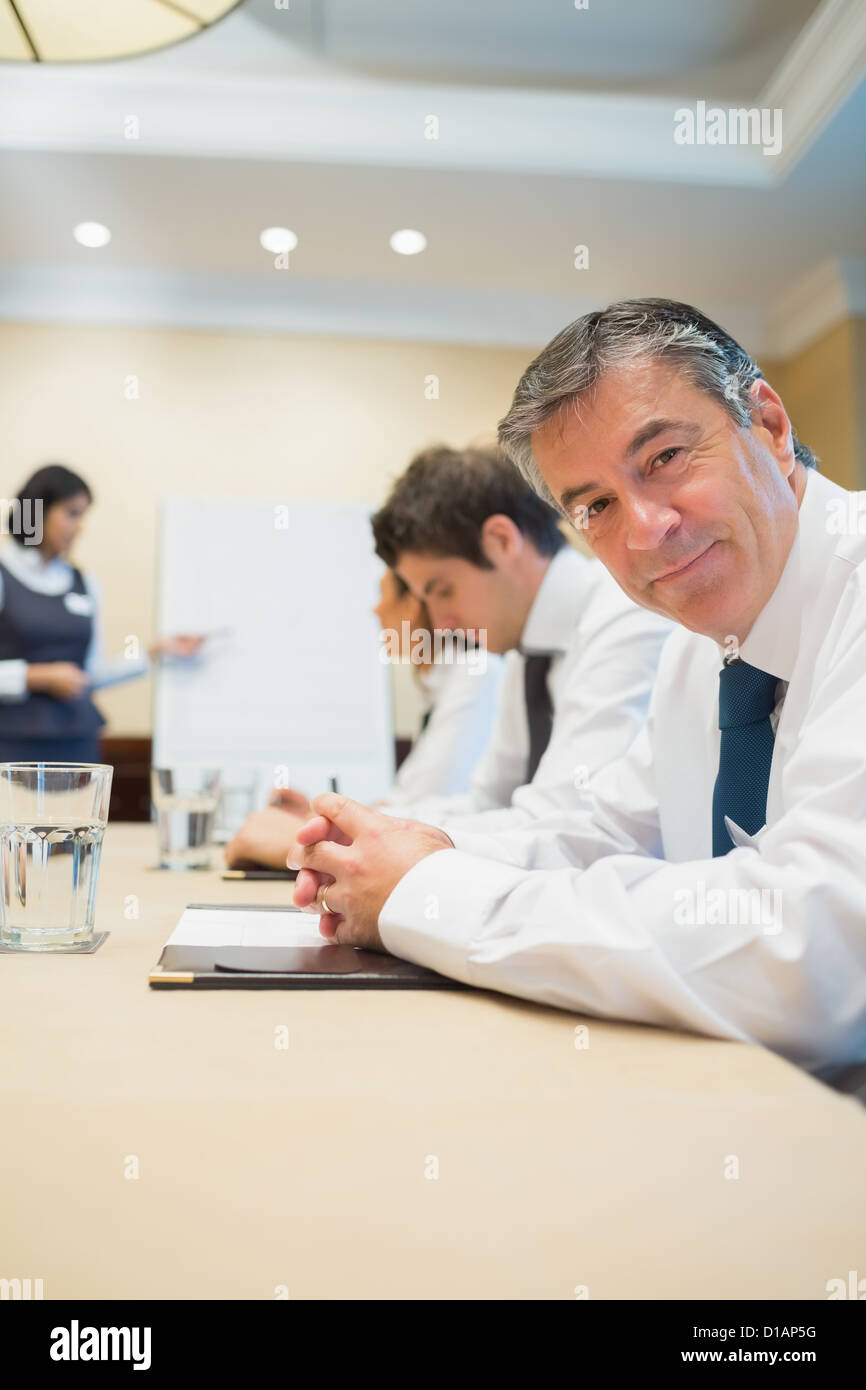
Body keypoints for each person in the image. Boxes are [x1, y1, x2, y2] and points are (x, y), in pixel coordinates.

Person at [287, 298, 866, 1084]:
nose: (643, 529)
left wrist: (432, 896)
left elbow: (812, 955)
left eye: (664, 457)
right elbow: (603, 828)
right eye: (594, 505)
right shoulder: (704, 648)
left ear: (767, 423)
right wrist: (403, 855)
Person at [226, 443, 671, 866]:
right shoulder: (524, 648)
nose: (438, 624)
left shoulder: (627, 617)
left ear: (500, 541)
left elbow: (565, 825)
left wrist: (341, 842)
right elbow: (486, 803)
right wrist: (348, 828)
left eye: (443, 590)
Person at [225, 568, 504, 865]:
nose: (376, 609)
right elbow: (406, 808)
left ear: (414, 604)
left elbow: (421, 819)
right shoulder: (446, 684)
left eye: (384, 595)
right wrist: (317, 814)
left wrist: (322, 826)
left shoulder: (477, 673)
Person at [0, 464, 201, 762]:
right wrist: (35, 676)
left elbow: (90, 673)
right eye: (71, 513)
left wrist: (155, 654)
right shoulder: (5, 574)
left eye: (83, 516)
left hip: (77, 744)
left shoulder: (85, 583)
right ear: (37, 511)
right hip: (13, 746)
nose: (79, 527)